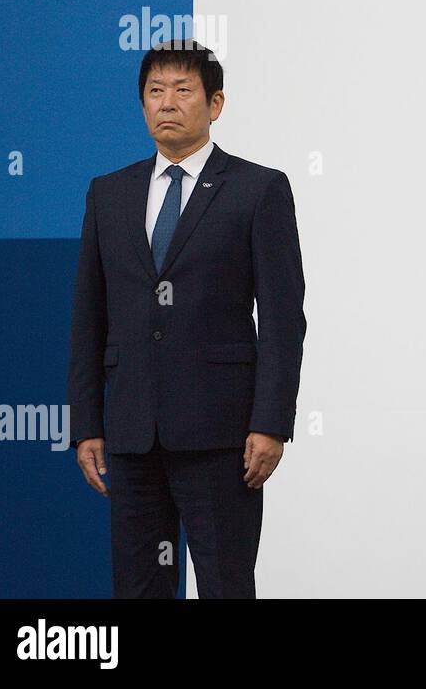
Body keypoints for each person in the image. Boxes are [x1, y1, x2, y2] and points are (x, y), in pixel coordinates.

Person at [66, 39, 306, 598]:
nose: (167, 103)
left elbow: (282, 318)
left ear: (215, 103)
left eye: (182, 90)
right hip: (131, 433)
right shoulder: (109, 194)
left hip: (223, 437)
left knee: (225, 584)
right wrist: (87, 424)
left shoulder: (258, 189)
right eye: (154, 91)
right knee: (138, 587)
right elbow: (87, 316)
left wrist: (271, 421)